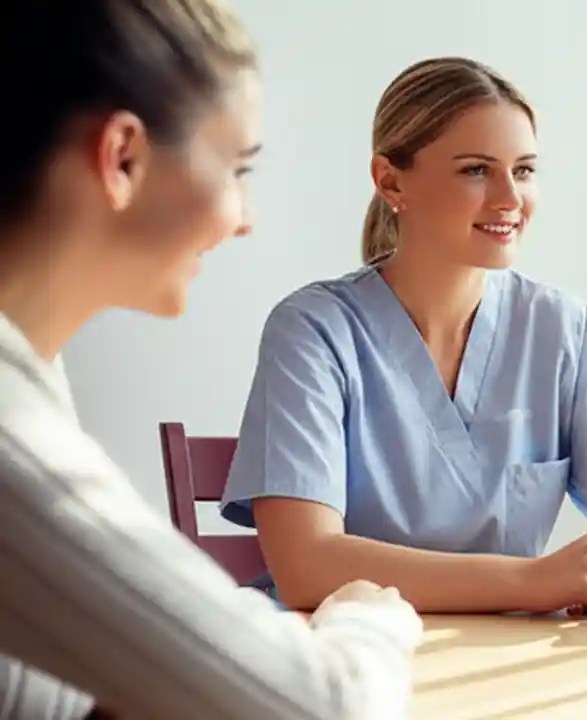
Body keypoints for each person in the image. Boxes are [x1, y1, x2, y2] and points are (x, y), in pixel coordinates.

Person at [0, 3, 423, 718]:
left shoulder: (34, 381)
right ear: (123, 156)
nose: (245, 217)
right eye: (238, 167)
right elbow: (328, 708)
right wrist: (365, 617)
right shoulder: (12, 430)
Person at [220, 57, 587, 615]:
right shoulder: (313, 331)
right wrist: (536, 580)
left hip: (509, 670)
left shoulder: (560, 328)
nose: (509, 198)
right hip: (347, 661)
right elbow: (307, 566)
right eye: (476, 170)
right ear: (390, 181)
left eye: (523, 170)